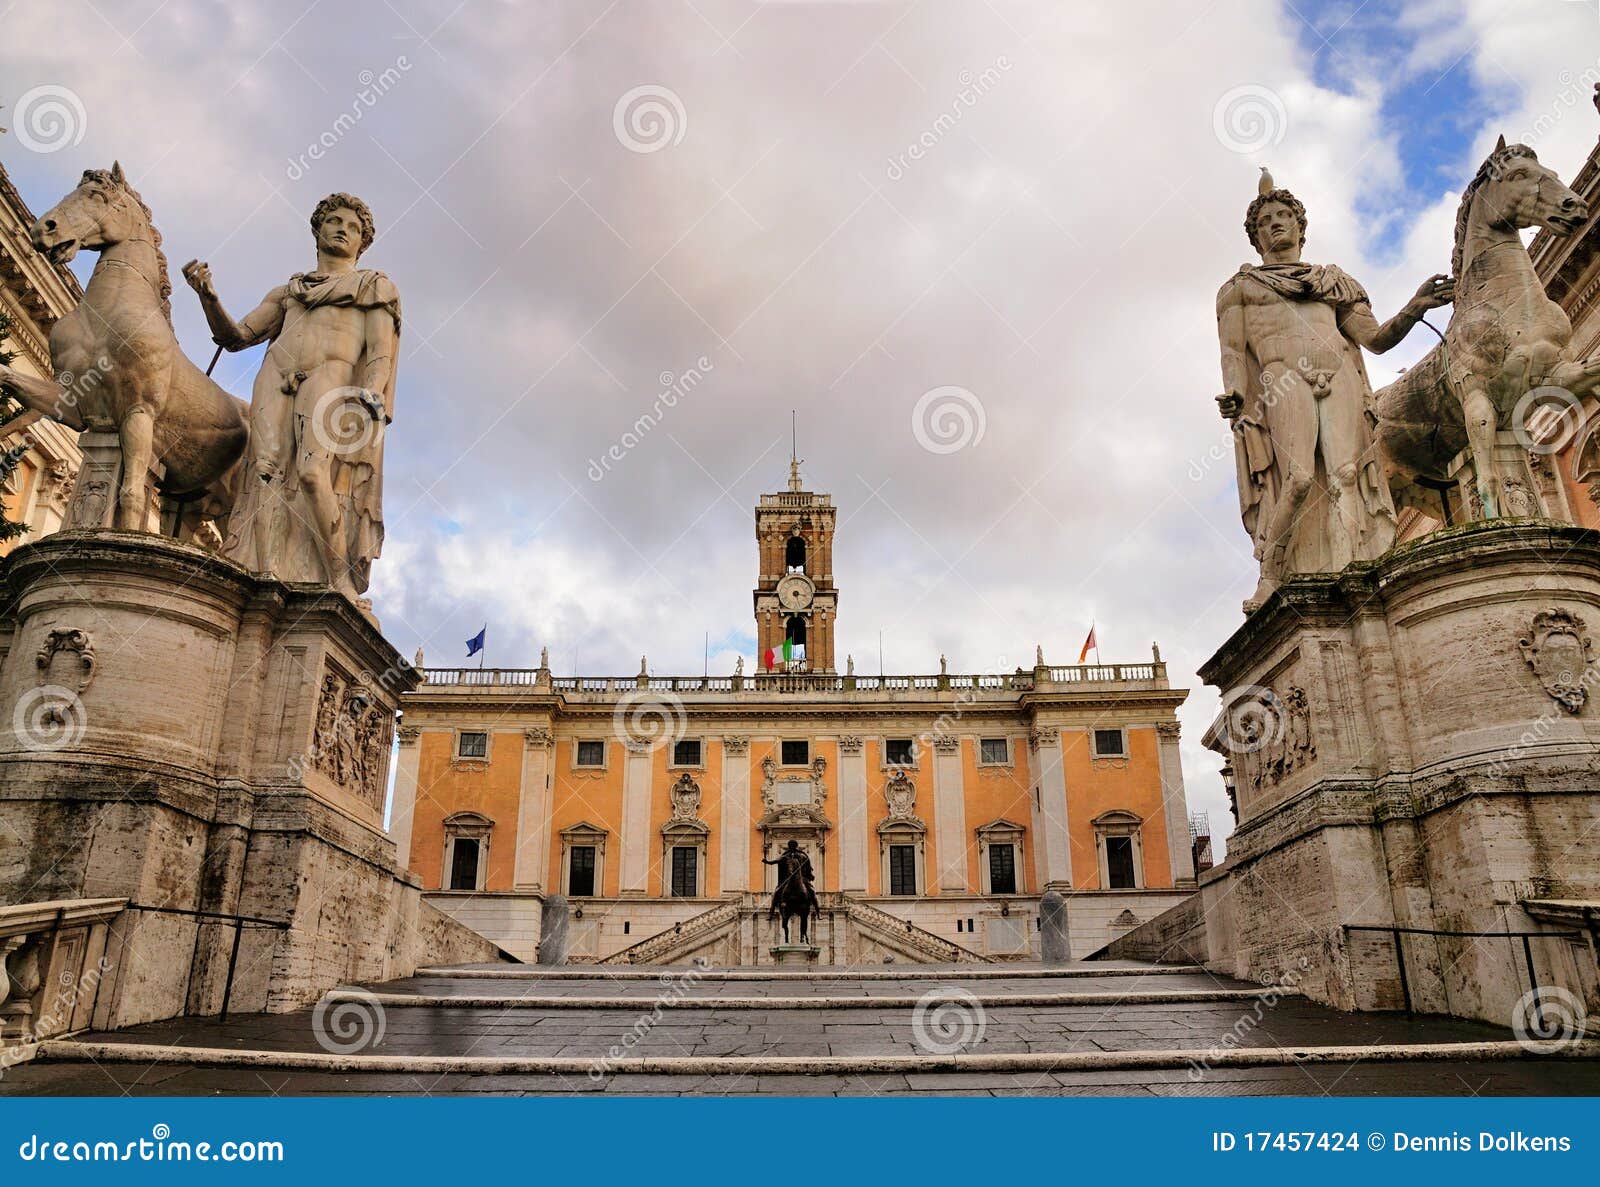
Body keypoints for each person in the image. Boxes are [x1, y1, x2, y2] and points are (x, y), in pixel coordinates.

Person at [184, 193, 400, 599]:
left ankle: (338, 577)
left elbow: (380, 353)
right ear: (317, 229)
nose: (343, 230)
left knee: (312, 472)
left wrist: (372, 391)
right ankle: (261, 574)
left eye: (353, 228)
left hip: (331, 376)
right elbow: (236, 338)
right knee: (263, 471)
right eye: (335, 221)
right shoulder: (288, 292)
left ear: (362, 242)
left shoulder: (373, 287)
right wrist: (207, 296)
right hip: (276, 375)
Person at [761, 840, 816, 919]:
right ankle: (771, 913)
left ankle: (818, 912)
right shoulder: (785, 856)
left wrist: (810, 875)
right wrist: (767, 862)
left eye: (793, 845)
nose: (792, 847)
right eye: (790, 845)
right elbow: (776, 861)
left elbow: (808, 866)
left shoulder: (803, 855)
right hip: (787, 879)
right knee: (776, 892)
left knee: (812, 891)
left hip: (803, 879)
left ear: (796, 846)